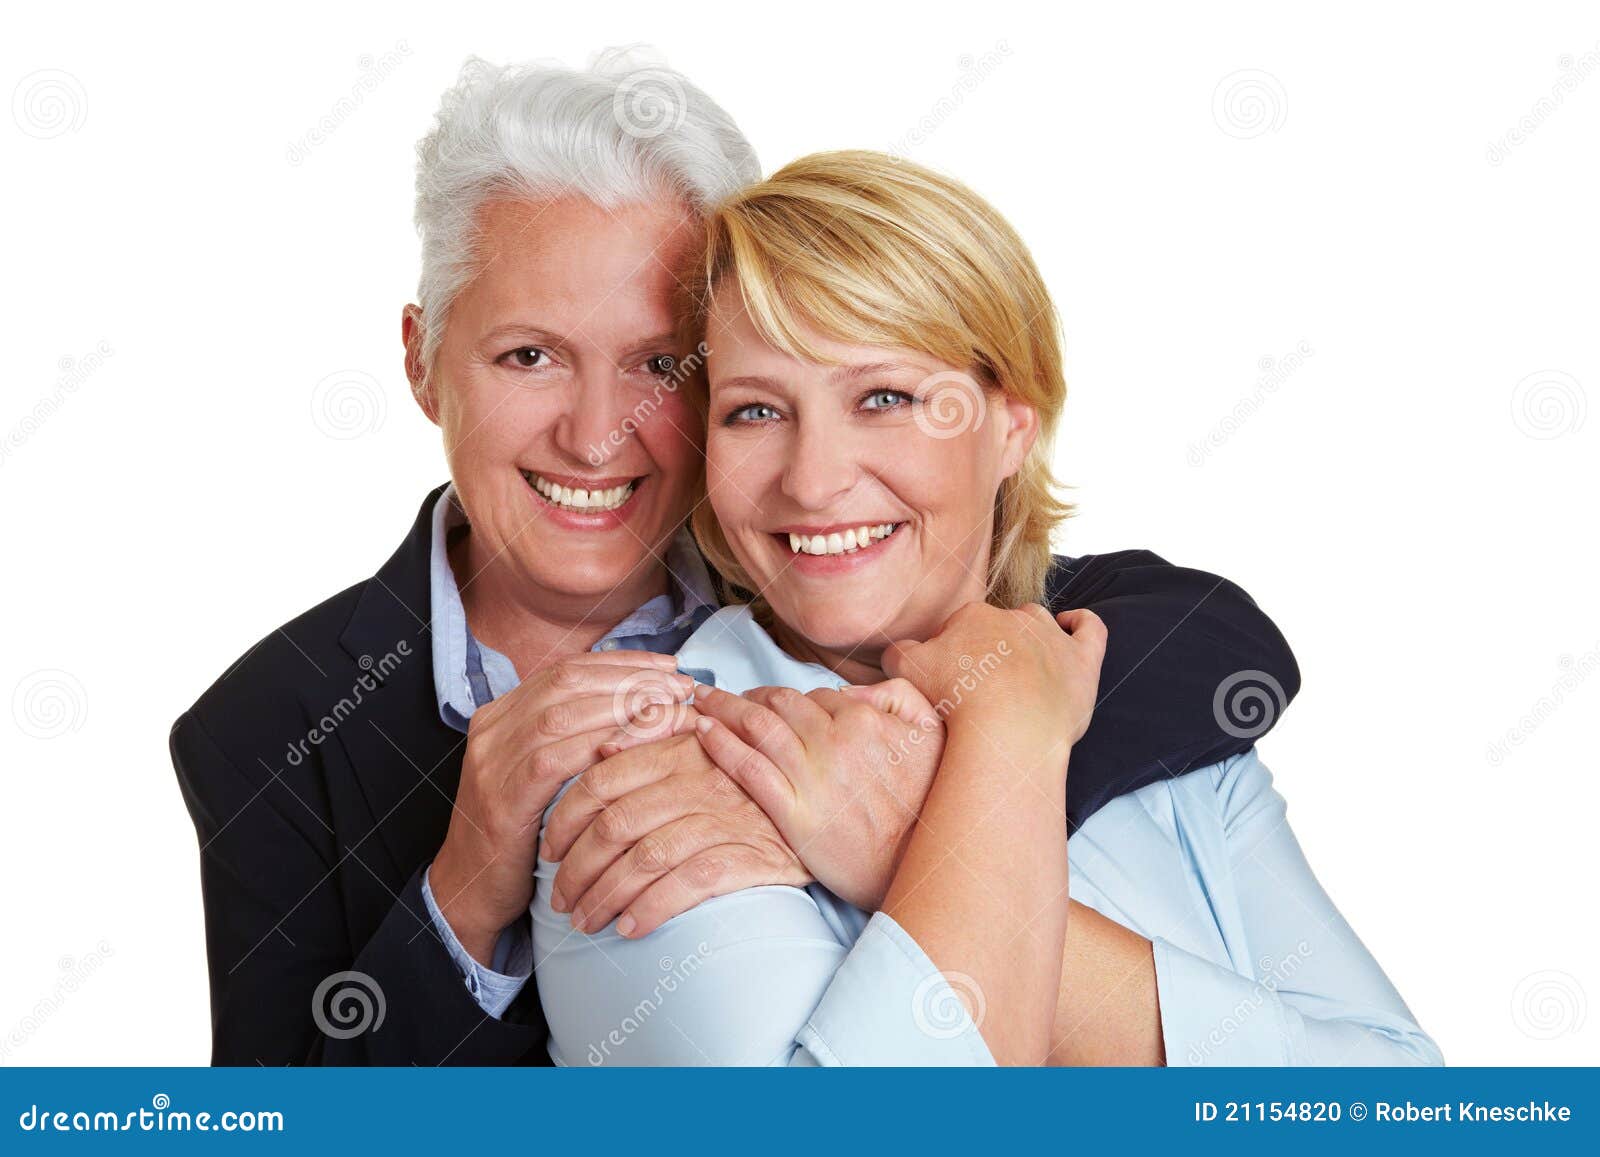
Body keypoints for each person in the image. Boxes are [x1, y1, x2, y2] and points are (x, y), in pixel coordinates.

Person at [171, 56, 1299, 1066]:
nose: (595, 432)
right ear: (423, 361)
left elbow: (1217, 638)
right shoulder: (271, 726)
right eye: (529, 356)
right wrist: (465, 886)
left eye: (661, 365)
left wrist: (892, 789)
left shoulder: (821, 575)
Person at [530, 151, 1440, 1067]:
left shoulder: (1166, 744)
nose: (812, 480)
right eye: (755, 412)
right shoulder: (648, 774)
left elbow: (1407, 1099)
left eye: (885, 397)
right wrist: (996, 761)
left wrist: (912, 839)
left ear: (1013, 426)